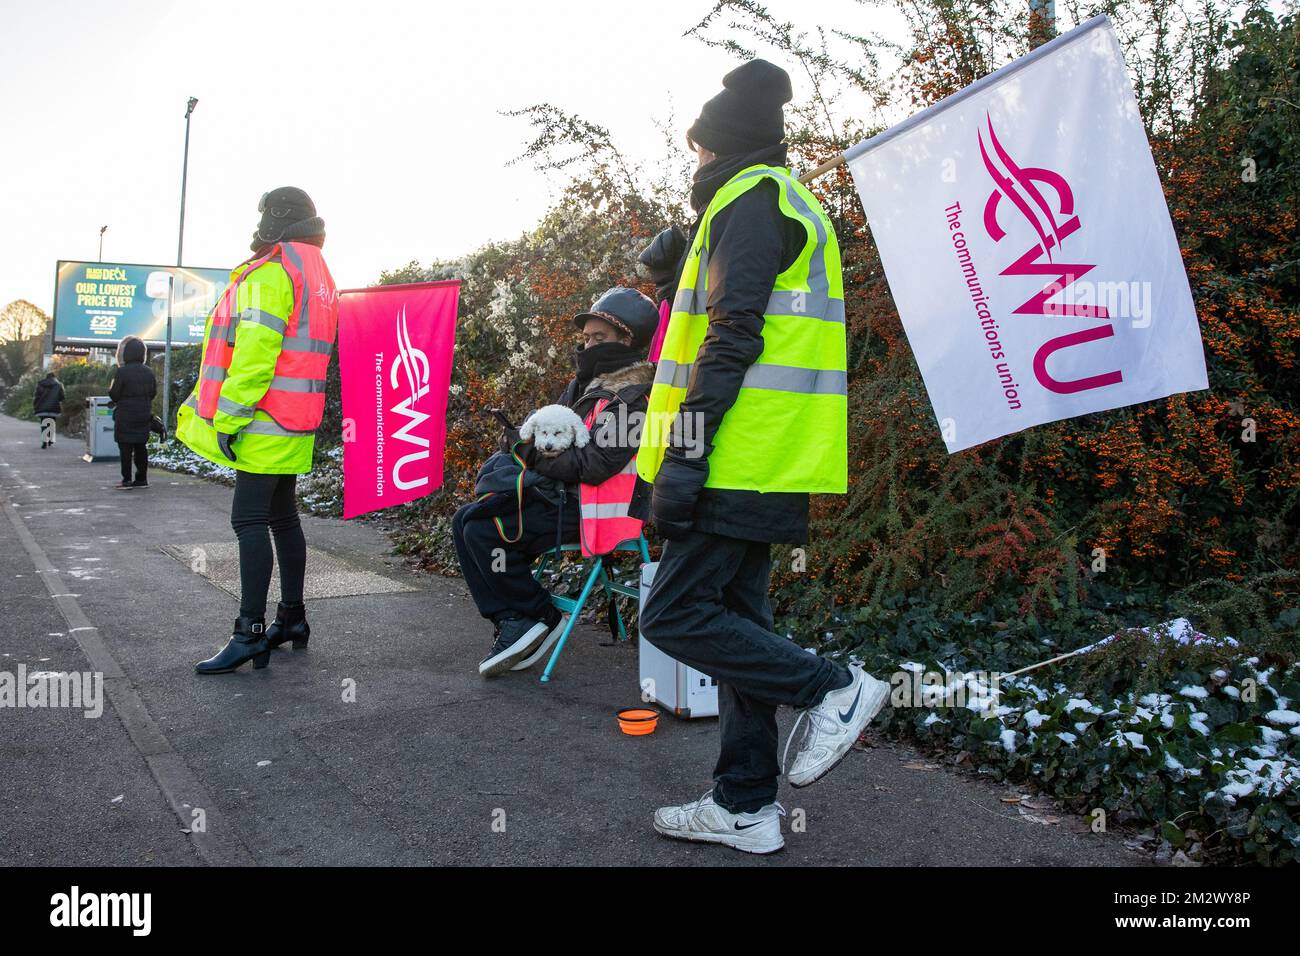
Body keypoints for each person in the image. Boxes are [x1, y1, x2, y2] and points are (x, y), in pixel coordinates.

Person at [636, 59, 891, 854]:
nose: (693, 165)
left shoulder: (747, 206)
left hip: (731, 456)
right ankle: (744, 805)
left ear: (718, 150)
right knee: (741, 622)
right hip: (768, 456)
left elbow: (729, 340)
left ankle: (834, 687)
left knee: (673, 614)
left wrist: (682, 457)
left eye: (698, 151)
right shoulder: (791, 203)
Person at [452, 287, 659, 677]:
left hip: (595, 514)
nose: (588, 345)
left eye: (600, 338)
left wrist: (528, 452)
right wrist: (516, 437)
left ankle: (534, 615)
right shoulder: (586, 383)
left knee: (481, 529)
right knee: (465, 520)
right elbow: (546, 432)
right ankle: (516, 616)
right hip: (560, 499)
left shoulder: (634, 399)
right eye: (585, 338)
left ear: (628, 340)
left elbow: (595, 464)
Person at [176, 187, 339, 675]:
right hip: (297, 418)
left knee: (248, 521)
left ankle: (247, 633)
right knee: (283, 519)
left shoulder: (273, 272)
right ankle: (291, 618)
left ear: (276, 219)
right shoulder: (315, 271)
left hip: (263, 419)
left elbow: (254, 354)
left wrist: (228, 417)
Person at [107, 336, 157, 489]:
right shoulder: (149, 372)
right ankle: (142, 479)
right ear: (143, 353)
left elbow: (114, 395)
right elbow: (153, 393)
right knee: (141, 447)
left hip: (125, 415)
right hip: (143, 414)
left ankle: (127, 479)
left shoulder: (122, 372)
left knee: (126, 449)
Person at [33, 371, 64, 448]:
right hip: (54, 408)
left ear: (46, 377)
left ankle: (44, 442)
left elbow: (37, 396)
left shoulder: (40, 384)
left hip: (42, 408)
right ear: (54, 377)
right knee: (52, 423)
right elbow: (62, 397)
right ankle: (50, 441)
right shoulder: (59, 385)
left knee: (44, 424)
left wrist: (35, 406)